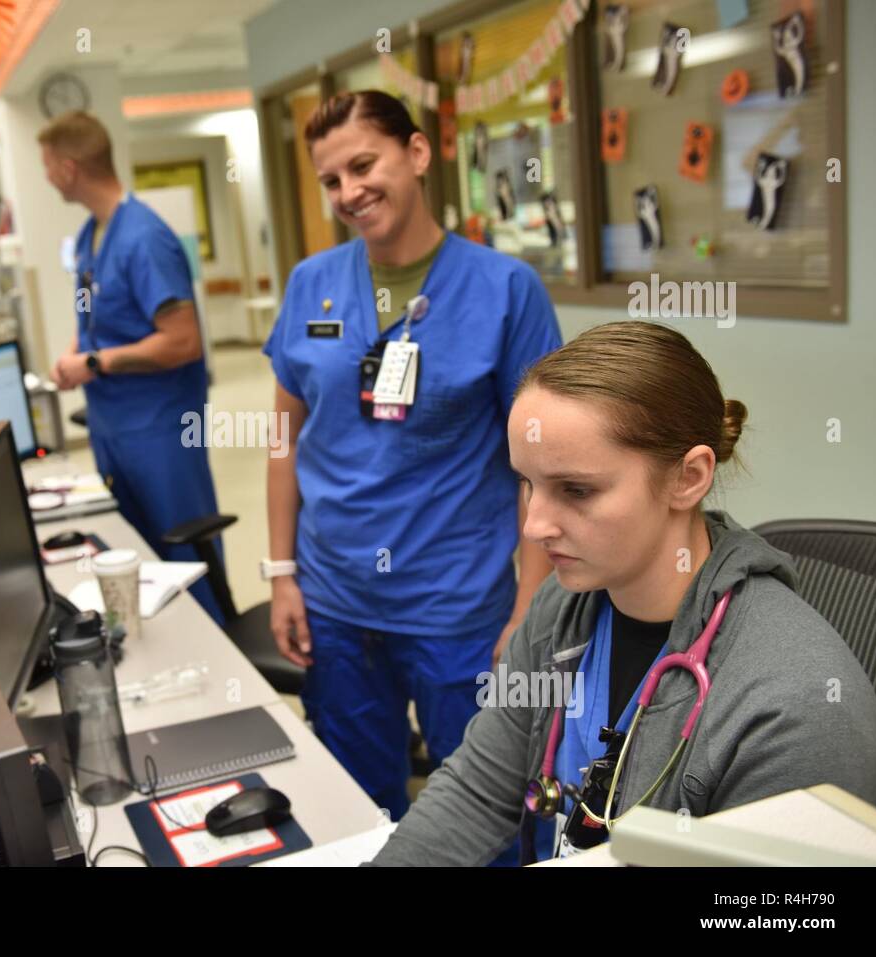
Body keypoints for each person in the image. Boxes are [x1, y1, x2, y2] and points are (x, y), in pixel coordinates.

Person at [370, 321, 876, 865]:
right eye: (527, 483)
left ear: (688, 478)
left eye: (576, 490)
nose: (534, 527)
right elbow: (477, 792)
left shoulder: (794, 709)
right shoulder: (564, 607)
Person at [262, 90, 562, 821]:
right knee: (357, 806)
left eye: (364, 165)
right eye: (331, 180)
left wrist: (529, 607)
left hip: (458, 603)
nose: (349, 192)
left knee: (485, 812)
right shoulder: (312, 285)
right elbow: (283, 437)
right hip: (336, 598)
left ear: (418, 153)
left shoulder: (506, 290)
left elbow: (542, 466)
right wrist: (280, 574)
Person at [38, 110, 224, 623]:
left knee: (181, 559)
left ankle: (220, 665)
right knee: (132, 558)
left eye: (49, 166)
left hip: (161, 429)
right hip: (113, 425)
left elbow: (183, 342)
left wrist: (95, 363)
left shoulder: (144, 238)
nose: (47, 177)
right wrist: (78, 355)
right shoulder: (87, 237)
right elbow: (93, 316)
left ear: (70, 168)